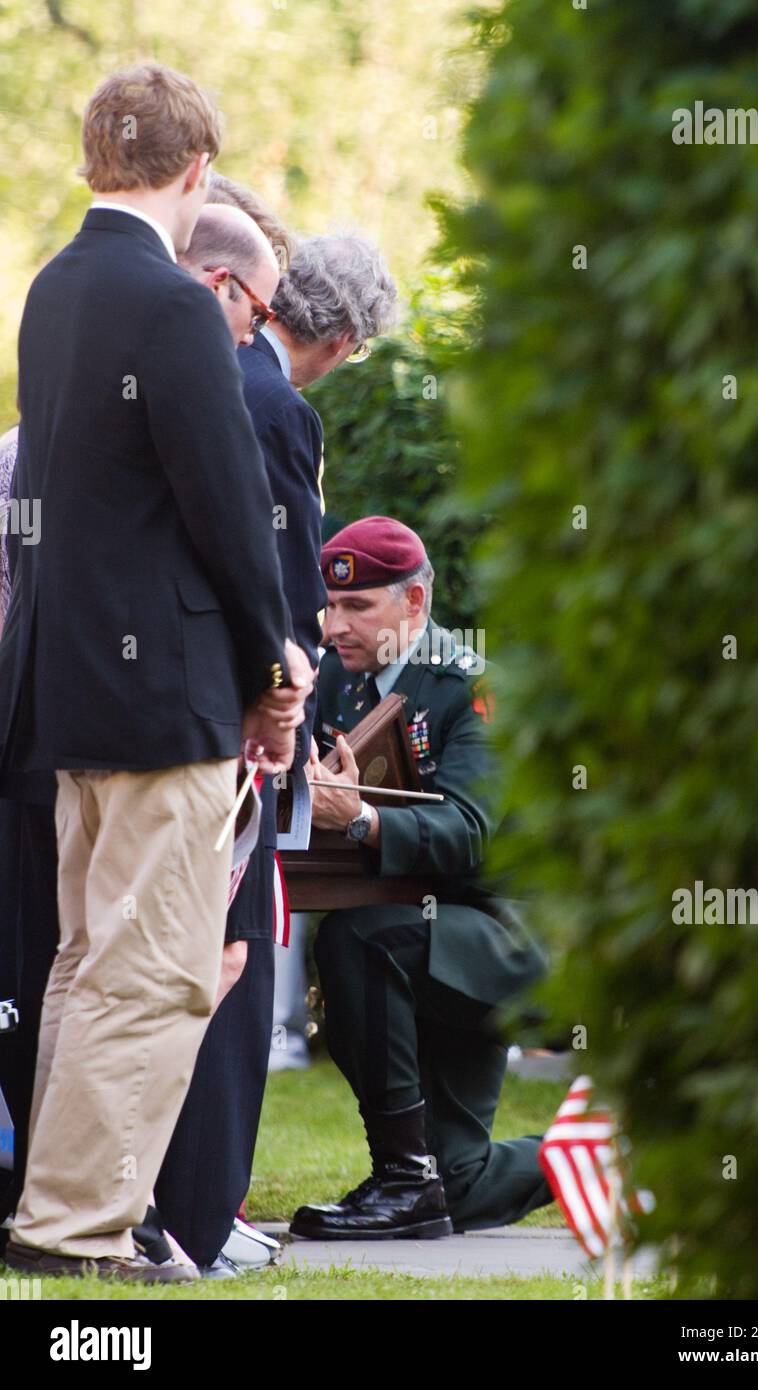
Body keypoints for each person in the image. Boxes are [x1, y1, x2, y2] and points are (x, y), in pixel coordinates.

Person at [0, 62, 313, 1283]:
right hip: (160, 696)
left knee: (90, 962)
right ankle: (77, 1228)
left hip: (68, 688)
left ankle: (76, 1211)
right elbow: (227, 509)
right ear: (197, 171)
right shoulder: (176, 305)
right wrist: (275, 660)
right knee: (156, 968)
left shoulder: (51, 290)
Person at [153, 217, 398, 1273]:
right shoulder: (274, 405)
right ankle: (201, 1209)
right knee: (235, 965)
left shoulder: (212, 378)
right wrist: (291, 713)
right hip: (243, 728)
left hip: (178, 706)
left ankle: (196, 1204)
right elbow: (289, 584)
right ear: (342, 337)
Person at [290, 517, 553, 1240]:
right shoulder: (343, 680)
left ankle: (403, 1178)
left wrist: (360, 821)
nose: (334, 624)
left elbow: (468, 833)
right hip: (433, 942)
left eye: (357, 606)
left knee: (357, 943)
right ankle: (609, 1152)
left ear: (413, 603)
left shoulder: (470, 690)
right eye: (329, 605)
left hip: (509, 943)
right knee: (459, 1189)